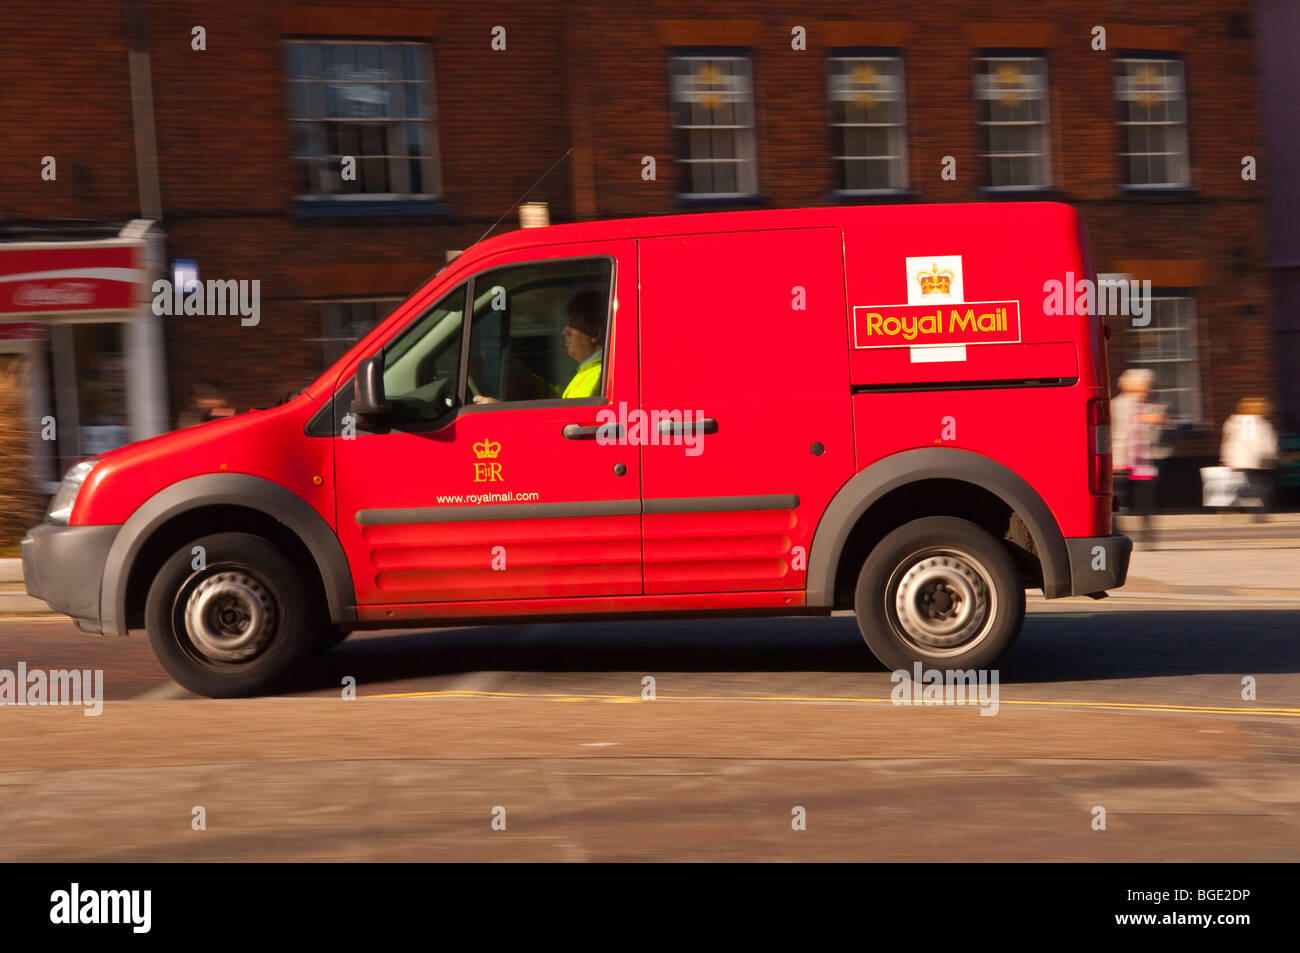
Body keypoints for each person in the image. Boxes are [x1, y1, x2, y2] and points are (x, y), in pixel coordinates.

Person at [473, 289, 605, 404]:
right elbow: (562, 403)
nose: (565, 330)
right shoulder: (590, 372)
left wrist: (501, 411)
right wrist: (531, 381)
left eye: (574, 324)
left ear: (595, 333)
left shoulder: (596, 376)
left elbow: (564, 421)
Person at [1111, 368, 1168, 547]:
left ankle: (1147, 537)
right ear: (1130, 386)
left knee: (1145, 502)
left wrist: (1161, 421)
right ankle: (1116, 532)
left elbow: (1164, 428)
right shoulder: (1116, 405)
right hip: (1120, 461)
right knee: (1116, 502)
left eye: (1147, 386)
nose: (1146, 390)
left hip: (1144, 463)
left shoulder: (1152, 407)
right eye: (1143, 386)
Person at [1221, 397, 1278, 519]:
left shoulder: (1233, 422)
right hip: (1259, 459)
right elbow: (1267, 442)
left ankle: (1243, 501)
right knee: (1263, 486)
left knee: (1250, 485)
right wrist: (1273, 455)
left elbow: (1228, 441)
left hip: (1239, 460)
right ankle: (1260, 512)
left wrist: (1225, 458)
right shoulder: (1263, 423)